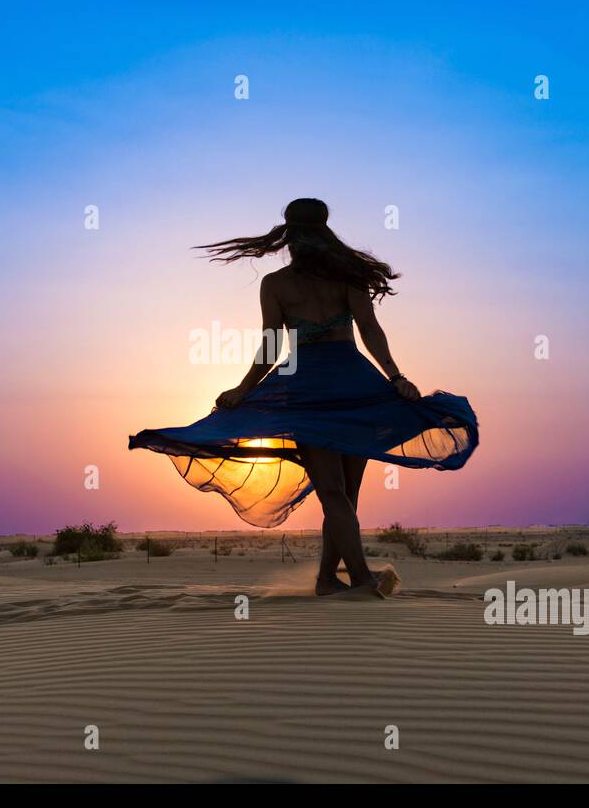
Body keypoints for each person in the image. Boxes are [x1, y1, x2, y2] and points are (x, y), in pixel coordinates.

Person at [129, 198, 478, 596]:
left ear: (288, 234)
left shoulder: (280, 283)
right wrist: (394, 375)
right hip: (348, 382)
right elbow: (368, 331)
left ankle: (336, 579)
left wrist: (245, 389)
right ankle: (350, 578)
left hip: (312, 384)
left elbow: (275, 345)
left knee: (336, 494)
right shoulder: (345, 275)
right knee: (342, 494)